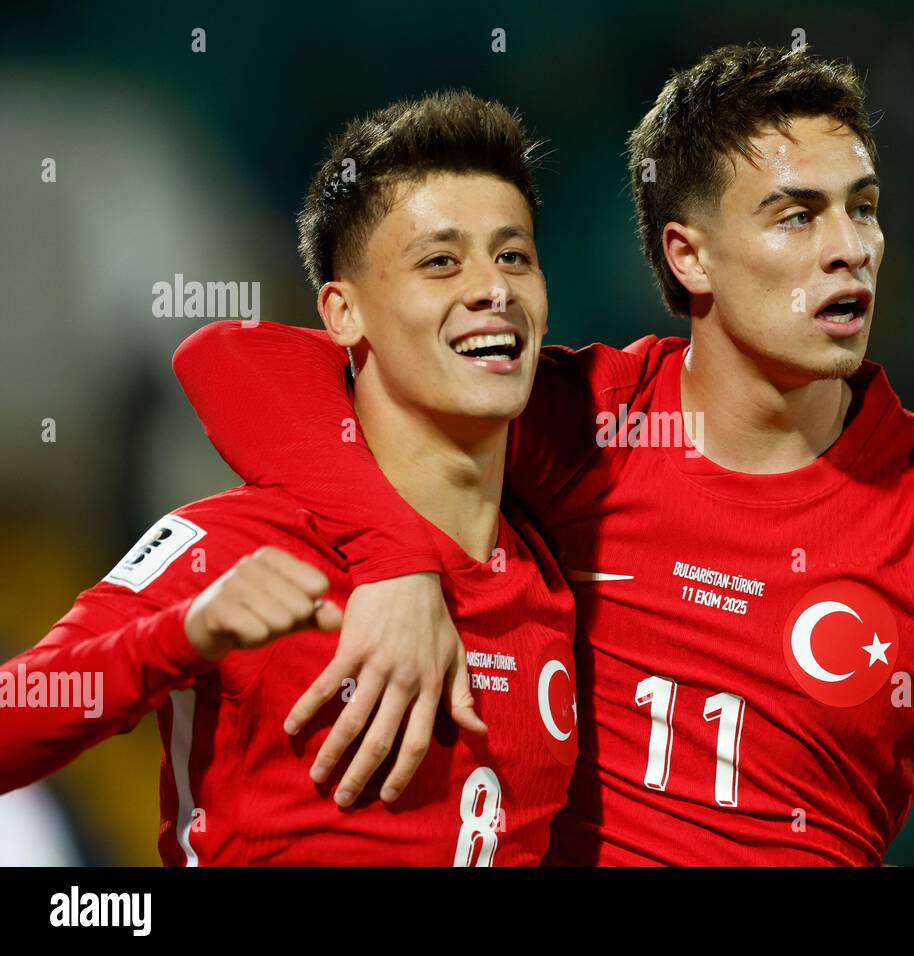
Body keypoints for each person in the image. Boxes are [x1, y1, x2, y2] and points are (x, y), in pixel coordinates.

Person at [174, 47, 914, 866]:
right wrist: (394, 553)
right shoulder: (579, 423)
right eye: (797, 215)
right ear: (689, 256)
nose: (850, 247)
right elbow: (238, 360)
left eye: (864, 206)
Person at [0, 91, 577, 866]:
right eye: (440, 261)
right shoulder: (237, 548)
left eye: (514, 256)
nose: (493, 288)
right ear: (342, 312)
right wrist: (183, 636)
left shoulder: (554, 581)